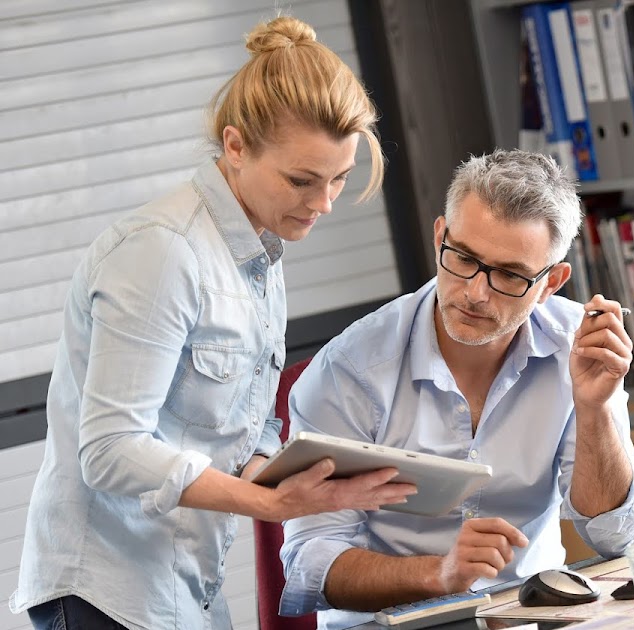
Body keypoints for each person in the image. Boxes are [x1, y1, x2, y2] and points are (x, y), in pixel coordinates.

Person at [8, 16, 418, 630]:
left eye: (339, 178)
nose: (324, 203)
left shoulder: (258, 252)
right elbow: (109, 450)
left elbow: (234, 437)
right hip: (106, 595)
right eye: (301, 180)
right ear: (234, 145)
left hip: (185, 589)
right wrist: (271, 502)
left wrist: (307, 477)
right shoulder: (163, 252)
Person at [279, 149, 634, 629]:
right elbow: (311, 564)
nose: (476, 292)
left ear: (551, 282)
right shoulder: (350, 369)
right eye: (464, 259)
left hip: (529, 619)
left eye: (510, 275)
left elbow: (612, 535)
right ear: (440, 239)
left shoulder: (578, 349)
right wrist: (440, 574)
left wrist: (594, 407)